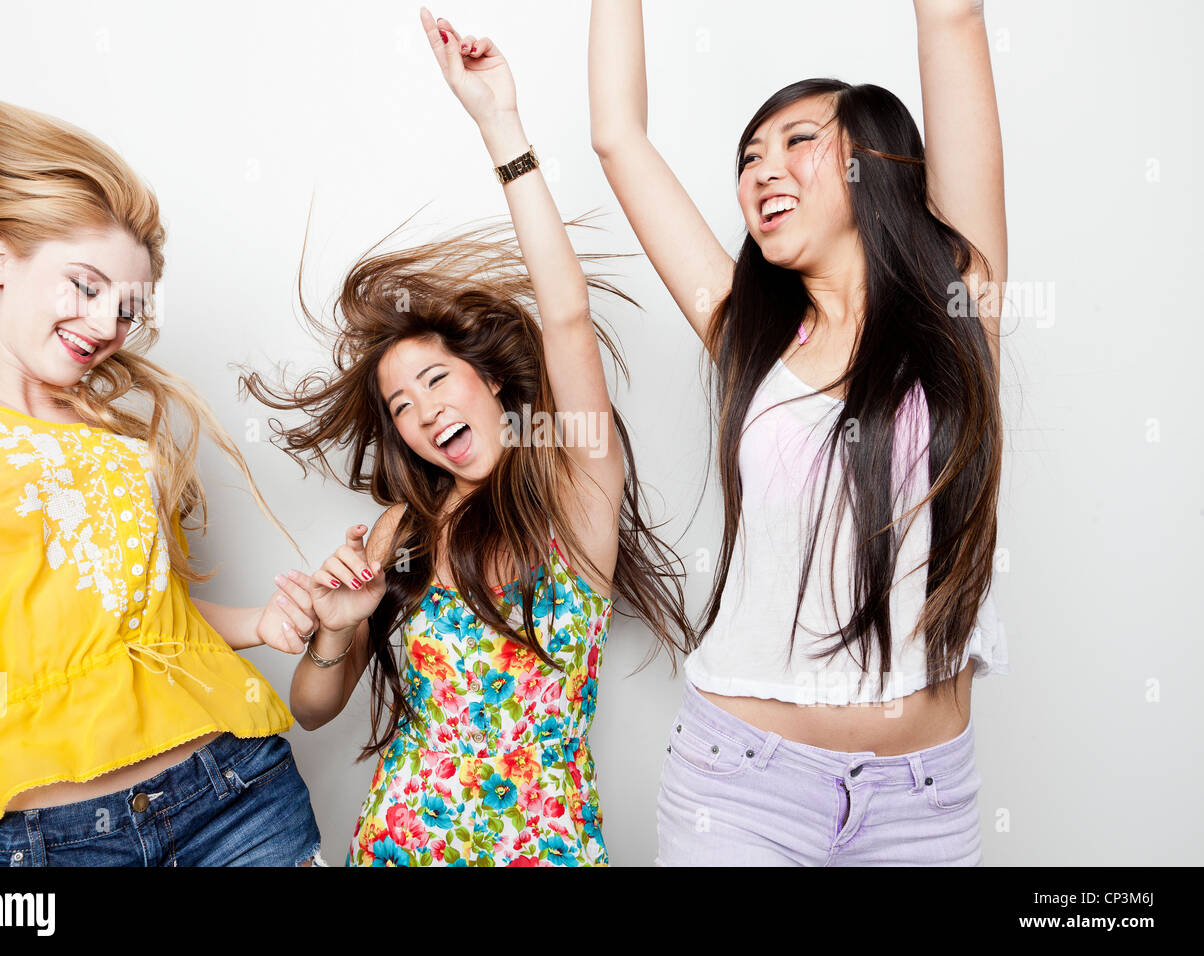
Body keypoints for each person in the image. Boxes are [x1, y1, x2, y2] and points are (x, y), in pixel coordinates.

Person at [240, 8, 694, 866]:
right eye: (401, 407)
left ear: (491, 381)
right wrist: (338, 630)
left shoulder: (575, 492)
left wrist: (501, 127)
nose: (423, 411)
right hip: (398, 846)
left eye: (436, 380)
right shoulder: (397, 531)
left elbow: (566, 315)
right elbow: (310, 708)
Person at [0, 0, 323, 866]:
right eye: (85, 284)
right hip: (43, 844)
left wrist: (263, 624)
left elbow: (133, 619)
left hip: (235, 796)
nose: (107, 322)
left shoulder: (111, 435)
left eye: (129, 307)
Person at [589, 0, 1009, 865]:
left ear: (872, 164)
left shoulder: (962, 309)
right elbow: (617, 138)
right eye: (748, 157)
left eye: (796, 142)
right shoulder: (747, 336)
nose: (762, 170)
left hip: (922, 807)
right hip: (742, 791)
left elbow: (955, 22)